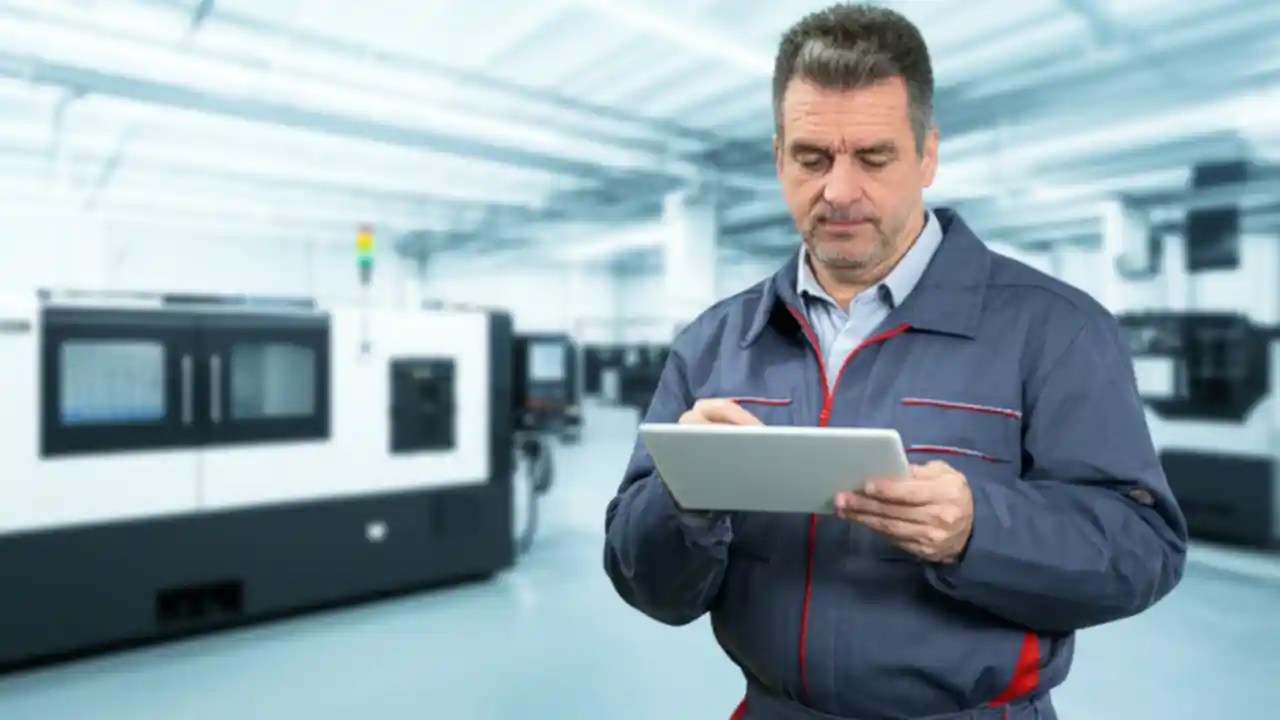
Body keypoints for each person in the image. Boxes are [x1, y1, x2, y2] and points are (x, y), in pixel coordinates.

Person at [602, 3, 1188, 719]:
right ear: (779, 157)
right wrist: (681, 502)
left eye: (874, 158)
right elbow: (644, 583)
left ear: (927, 155)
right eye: (812, 159)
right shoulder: (717, 341)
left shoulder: (1055, 330)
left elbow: (1143, 551)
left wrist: (979, 528)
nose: (839, 191)